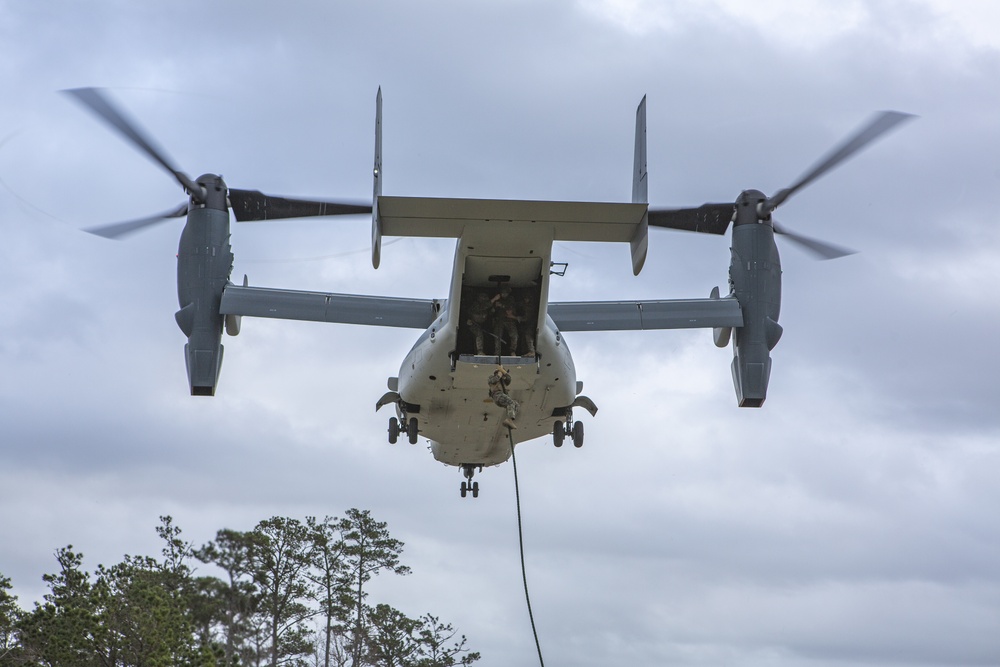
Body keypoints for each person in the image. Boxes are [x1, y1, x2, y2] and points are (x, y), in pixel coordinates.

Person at [491, 287, 519, 356]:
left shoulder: (511, 299)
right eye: (502, 293)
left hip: (509, 320)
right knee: (497, 336)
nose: (503, 294)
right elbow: (492, 310)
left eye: (505, 293)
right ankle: (497, 352)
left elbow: (511, 307)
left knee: (514, 335)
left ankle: (512, 351)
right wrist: (494, 308)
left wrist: (501, 305)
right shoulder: (498, 299)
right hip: (499, 320)